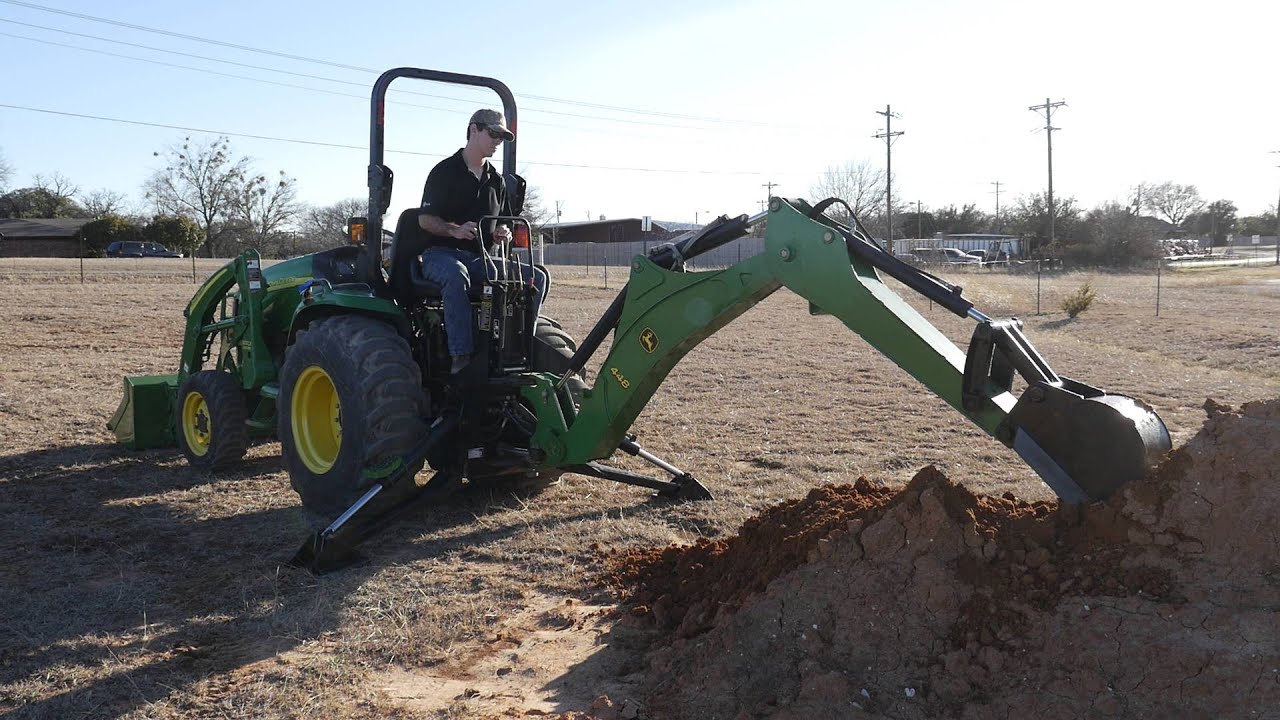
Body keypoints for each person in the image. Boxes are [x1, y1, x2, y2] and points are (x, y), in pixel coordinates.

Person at [418, 109, 546, 374]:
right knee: (456, 274)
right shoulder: (444, 172)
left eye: (501, 137)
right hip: (441, 255)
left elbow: (501, 221)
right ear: (473, 130)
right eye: (493, 134)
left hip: (480, 259)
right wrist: (453, 230)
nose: (498, 141)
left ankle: (522, 346)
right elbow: (424, 220)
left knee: (538, 277)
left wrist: (503, 232)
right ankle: (461, 360)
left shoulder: (496, 181)